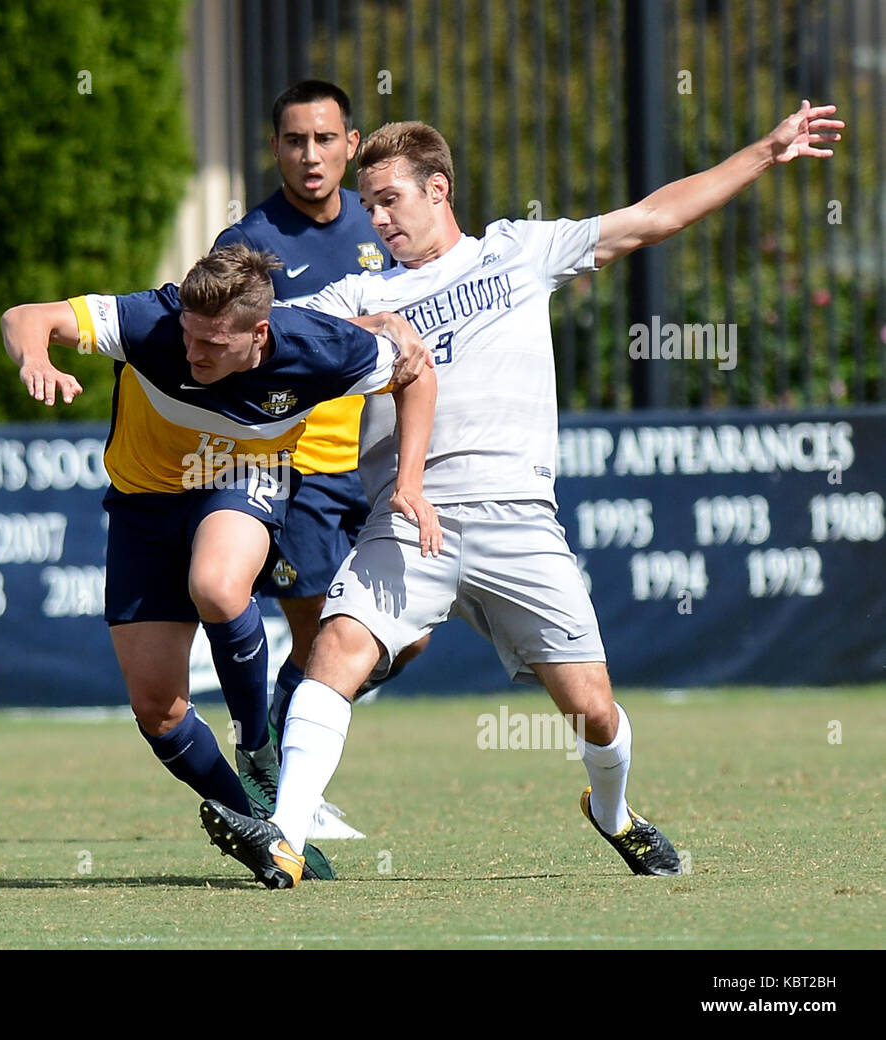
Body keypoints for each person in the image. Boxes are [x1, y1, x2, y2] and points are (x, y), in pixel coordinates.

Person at [200, 101, 842, 888]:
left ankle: (613, 812)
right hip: (410, 516)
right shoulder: (353, 299)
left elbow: (650, 219)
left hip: (519, 521)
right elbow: (255, 333)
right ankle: (287, 841)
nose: (376, 219)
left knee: (595, 713)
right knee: (334, 652)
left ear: (438, 190)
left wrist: (765, 153)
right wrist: (143, 328)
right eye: (368, 206)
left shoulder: (518, 252)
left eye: (389, 200)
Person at [0, 244, 437, 880]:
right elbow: (24, 317)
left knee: (217, 584)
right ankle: (263, 831)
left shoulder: (317, 347)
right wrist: (36, 357)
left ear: (259, 333)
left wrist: (411, 481)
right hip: (142, 506)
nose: (194, 352)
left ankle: (256, 744)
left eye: (212, 343)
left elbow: (415, 374)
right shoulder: (152, 323)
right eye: (189, 335)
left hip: (241, 478)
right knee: (158, 710)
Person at [213, 79, 428, 841]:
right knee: (320, 641)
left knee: (405, 635)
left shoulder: (380, 229)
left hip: (367, 470)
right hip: (292, 470)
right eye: (295, 141)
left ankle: (276, 748)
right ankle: (282, 786)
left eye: (326, 139)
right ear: (274, 147)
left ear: (350, 142)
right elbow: (222, 347)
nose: (311, 155)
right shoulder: (247, 243)